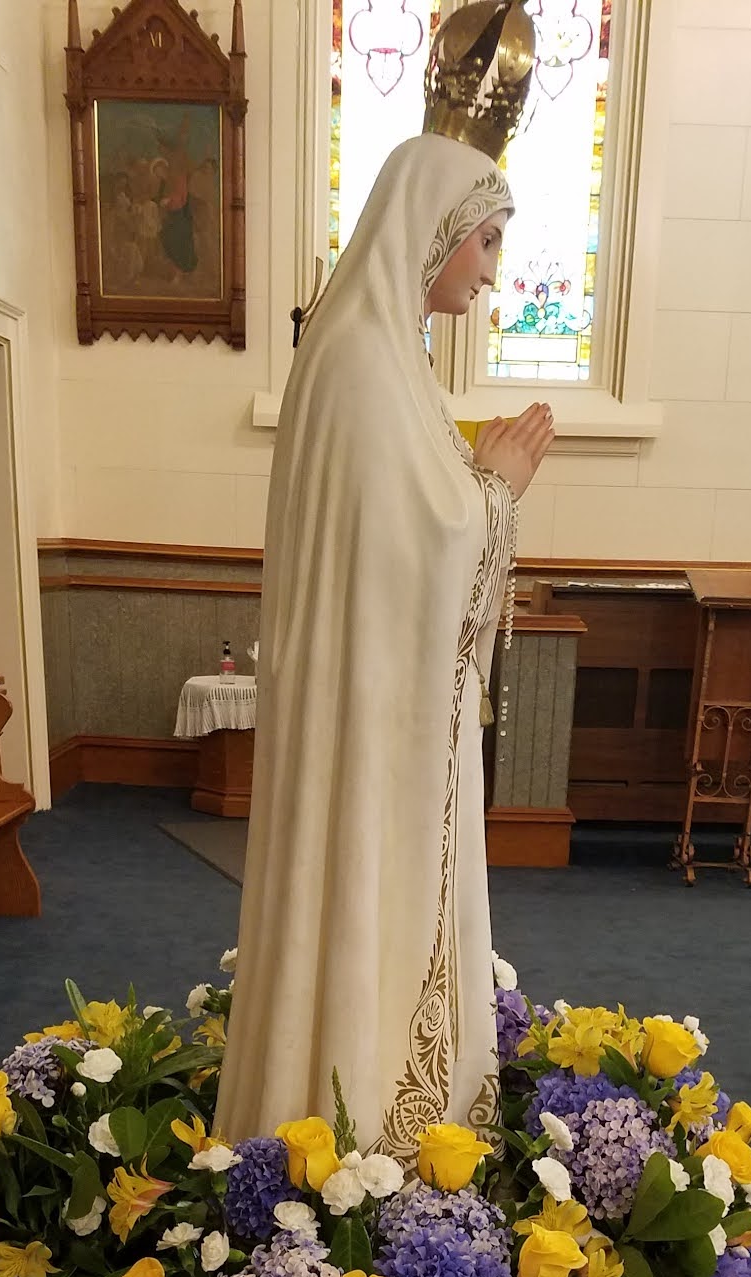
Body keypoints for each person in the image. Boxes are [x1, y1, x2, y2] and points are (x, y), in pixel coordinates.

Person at [215, 114, 554, 1157]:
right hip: (366, 712)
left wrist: (477, 493)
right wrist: (497, 489)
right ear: (434, 223)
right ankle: (352, 1121)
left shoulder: (386, 351)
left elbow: (409, 535)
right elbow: (417, 549)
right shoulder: (362, 356)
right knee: (361, 881)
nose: (492, 274)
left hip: (389, 705)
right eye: (487, 241)